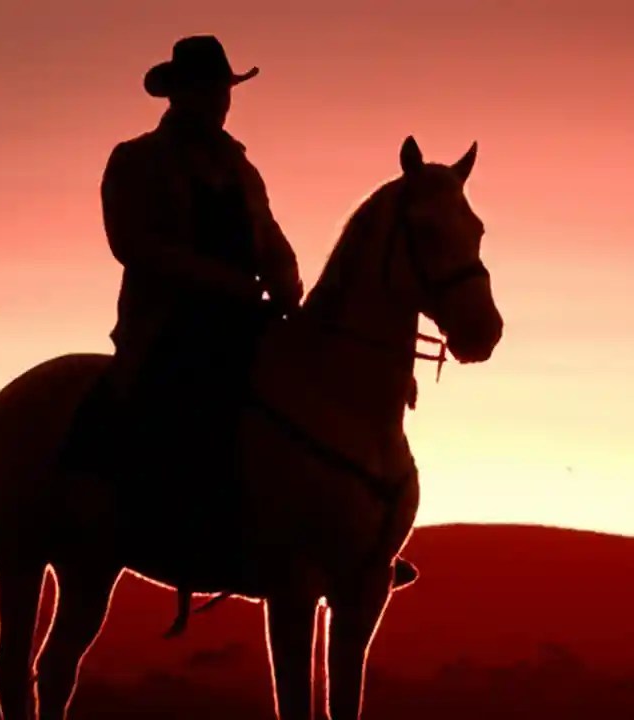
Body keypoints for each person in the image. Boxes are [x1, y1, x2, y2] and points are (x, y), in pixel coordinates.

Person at [95, 36, 416, 636]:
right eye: (208, 90)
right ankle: (183, 524)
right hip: (170, 323)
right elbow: (133, 244)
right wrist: (224, 282)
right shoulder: (137, 160)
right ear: (179, 94)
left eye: (223, 90)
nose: (219, 101)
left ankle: (351, 537)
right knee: (197, 399)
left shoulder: (241, 168)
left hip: (244, 317)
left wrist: (290, 286)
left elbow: (269, 236)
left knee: (316, 390)